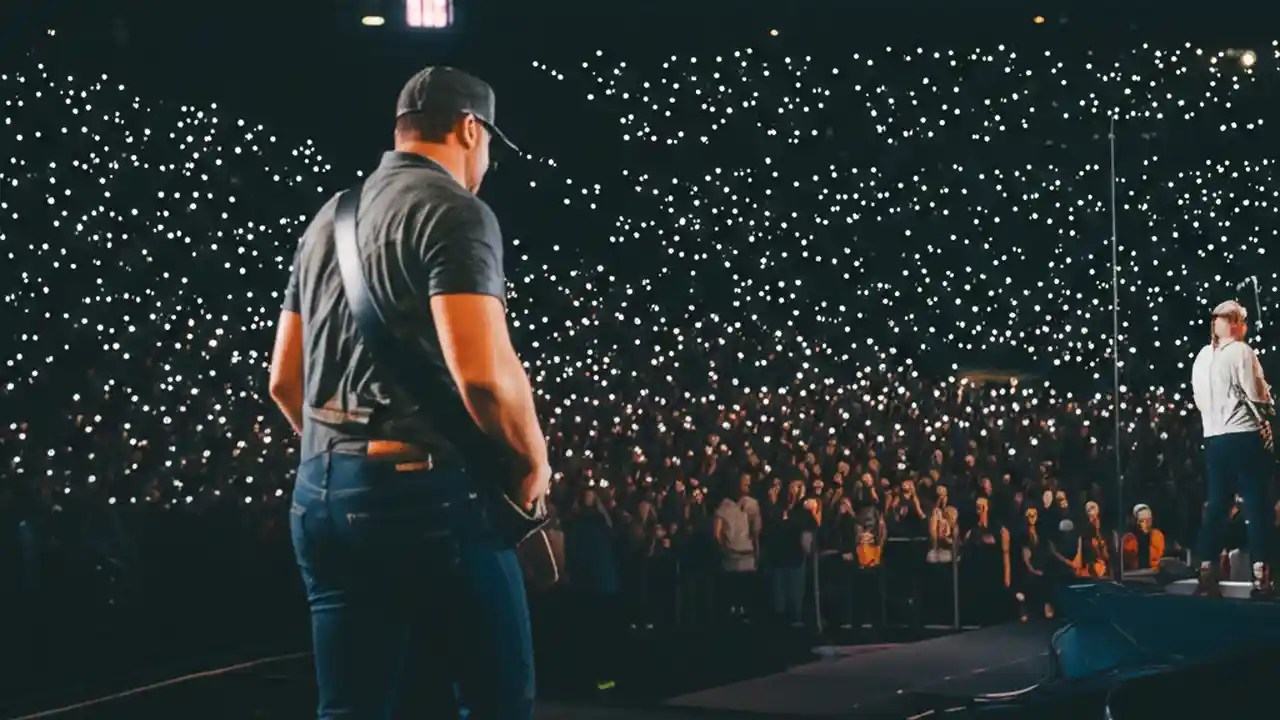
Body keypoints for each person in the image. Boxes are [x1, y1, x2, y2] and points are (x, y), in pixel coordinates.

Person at [269, 66, 546, 719]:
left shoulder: (328, 219)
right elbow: (481, 372)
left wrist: (339, 461)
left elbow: (284, 380)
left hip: (319, 497)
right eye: (486, 148)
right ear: (469, 128)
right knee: (498, 700)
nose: (486, 165)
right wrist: (532, 465)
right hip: (423, 495)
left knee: (354, 707)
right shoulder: (455, 211)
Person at [1190, 300, 1274, 598]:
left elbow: (1200, 400)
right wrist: (1269, 415)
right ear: (1237, 322)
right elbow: (1256, 395)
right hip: (1243, 436)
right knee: (1257, 506)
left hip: (1214, 438)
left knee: (1217, 506)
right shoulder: (1241, 351)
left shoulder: (1201, 357)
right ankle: (1262, 578)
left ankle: (1206, 574)